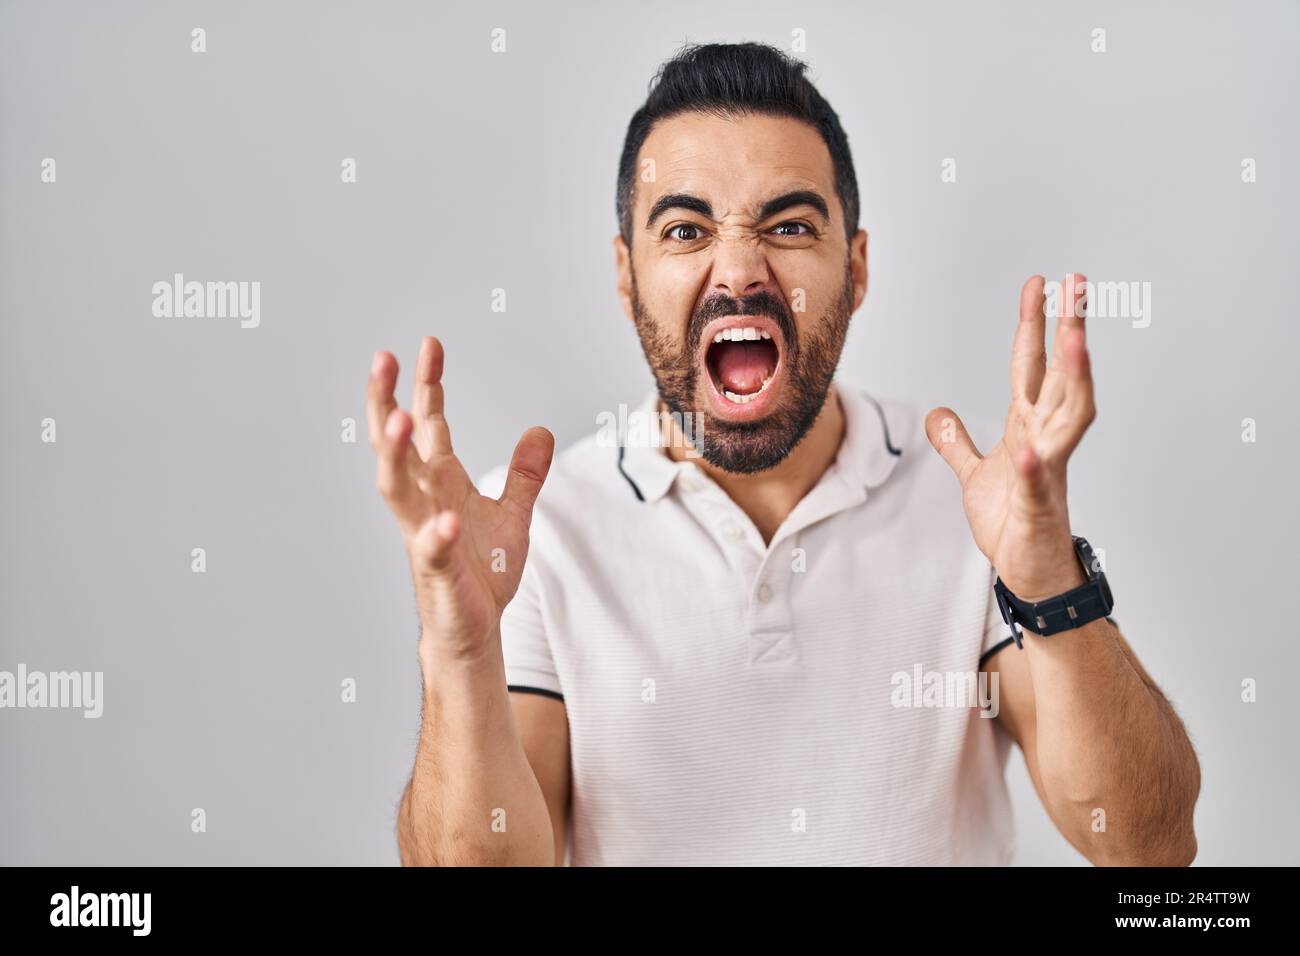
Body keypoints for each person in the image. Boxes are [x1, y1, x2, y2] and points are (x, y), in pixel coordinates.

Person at [370, 42, 1200, 866]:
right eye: (687, 229)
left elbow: (1147, 848)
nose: (738, 273)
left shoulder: (973, 505)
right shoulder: (543, 532)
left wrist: (1050, 579)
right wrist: (462, 653)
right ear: (626, 276)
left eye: (791, 225)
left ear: (858, 267)